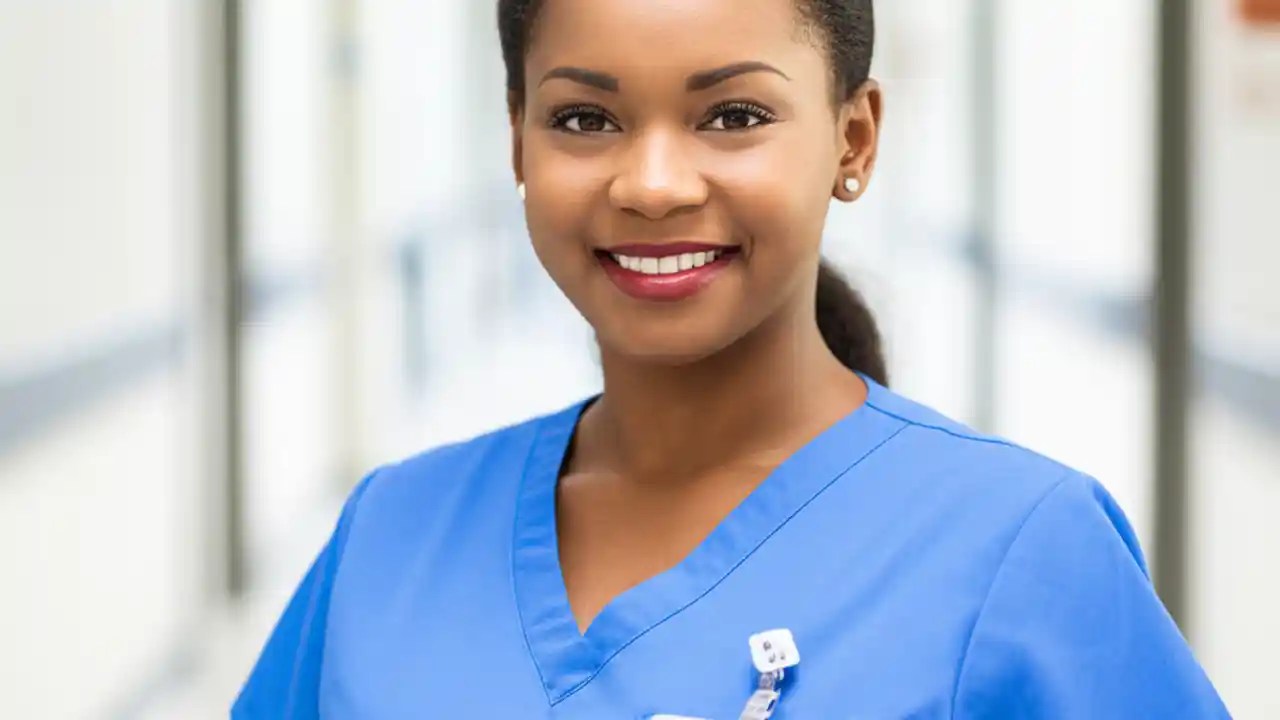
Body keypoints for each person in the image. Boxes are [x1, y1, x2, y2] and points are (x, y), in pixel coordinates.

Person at [233, 0, 1231, 717]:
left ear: (853, 139)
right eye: (583, 119)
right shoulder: (393, 537)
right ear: (517, 147)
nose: (653, 184)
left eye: (733, 117)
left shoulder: (1017, 551)